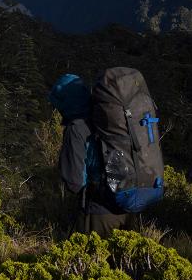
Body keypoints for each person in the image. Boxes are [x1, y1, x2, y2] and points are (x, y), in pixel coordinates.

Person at [49, 74, 134, 235]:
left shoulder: (76, 128)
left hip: (98, 211)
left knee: (91, 258)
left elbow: (74, 182)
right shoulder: (106, 119)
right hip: (126, 206)